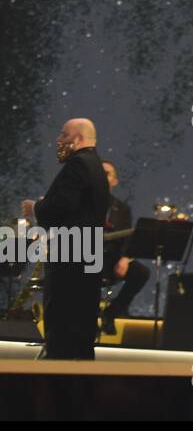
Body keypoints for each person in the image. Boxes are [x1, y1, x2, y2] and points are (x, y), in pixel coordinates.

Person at [21, 118, 111, 360]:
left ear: (79, 139)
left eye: (63, 134)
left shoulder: (78, 164)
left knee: (61, 323)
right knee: (81, 328)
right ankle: (79, 385)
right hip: (89, 257)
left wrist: (37, 207)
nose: (59, 140)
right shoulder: (97, 167)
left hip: (69, 258)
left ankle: (56, 384)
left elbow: (62, 205)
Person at [98, 161, 150, 336]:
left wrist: (125, 259)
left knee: (141, 273)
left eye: (108, 174)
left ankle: (110, 313)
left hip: (111, 259)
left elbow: (127, 238)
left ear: (115, 181)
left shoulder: (122, 209)